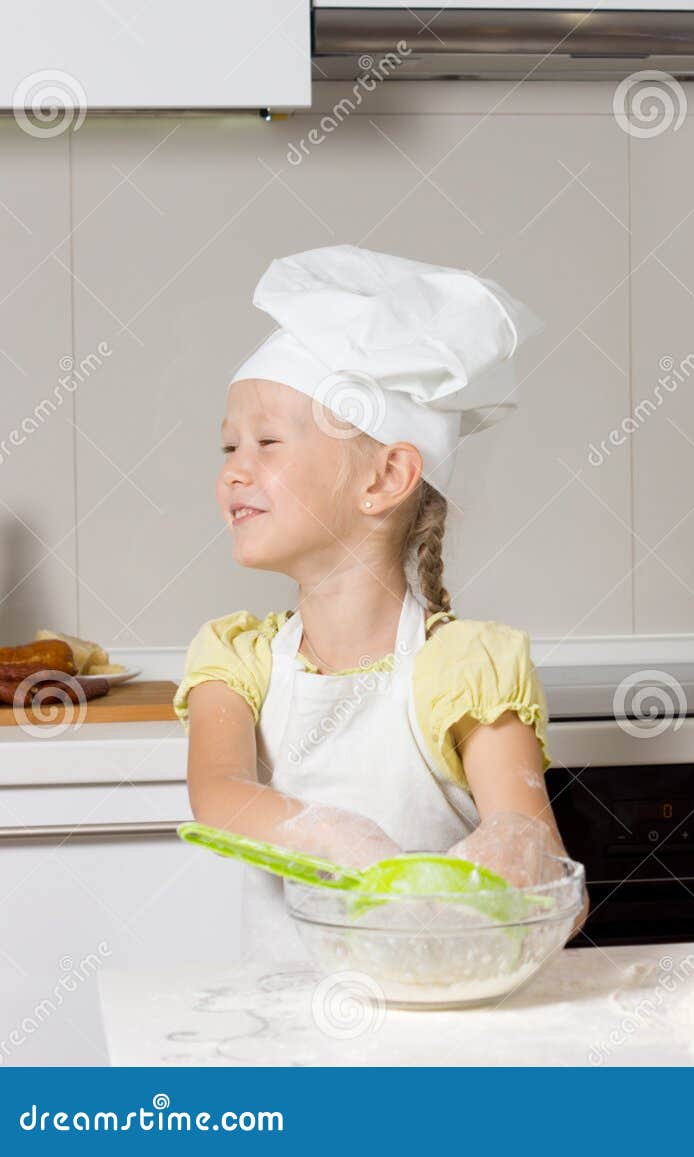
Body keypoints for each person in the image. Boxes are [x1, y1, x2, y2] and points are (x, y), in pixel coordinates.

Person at [176, 244, 581, 958]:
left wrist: (512, 850)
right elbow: (221, 793)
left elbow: (544, 869)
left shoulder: (463, 670)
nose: (235, 471)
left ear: (387, 476)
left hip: (438, 1036)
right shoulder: (235, 661)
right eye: (229, 447)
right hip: (284, 1046)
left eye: (267, 441)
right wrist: (344, 837)